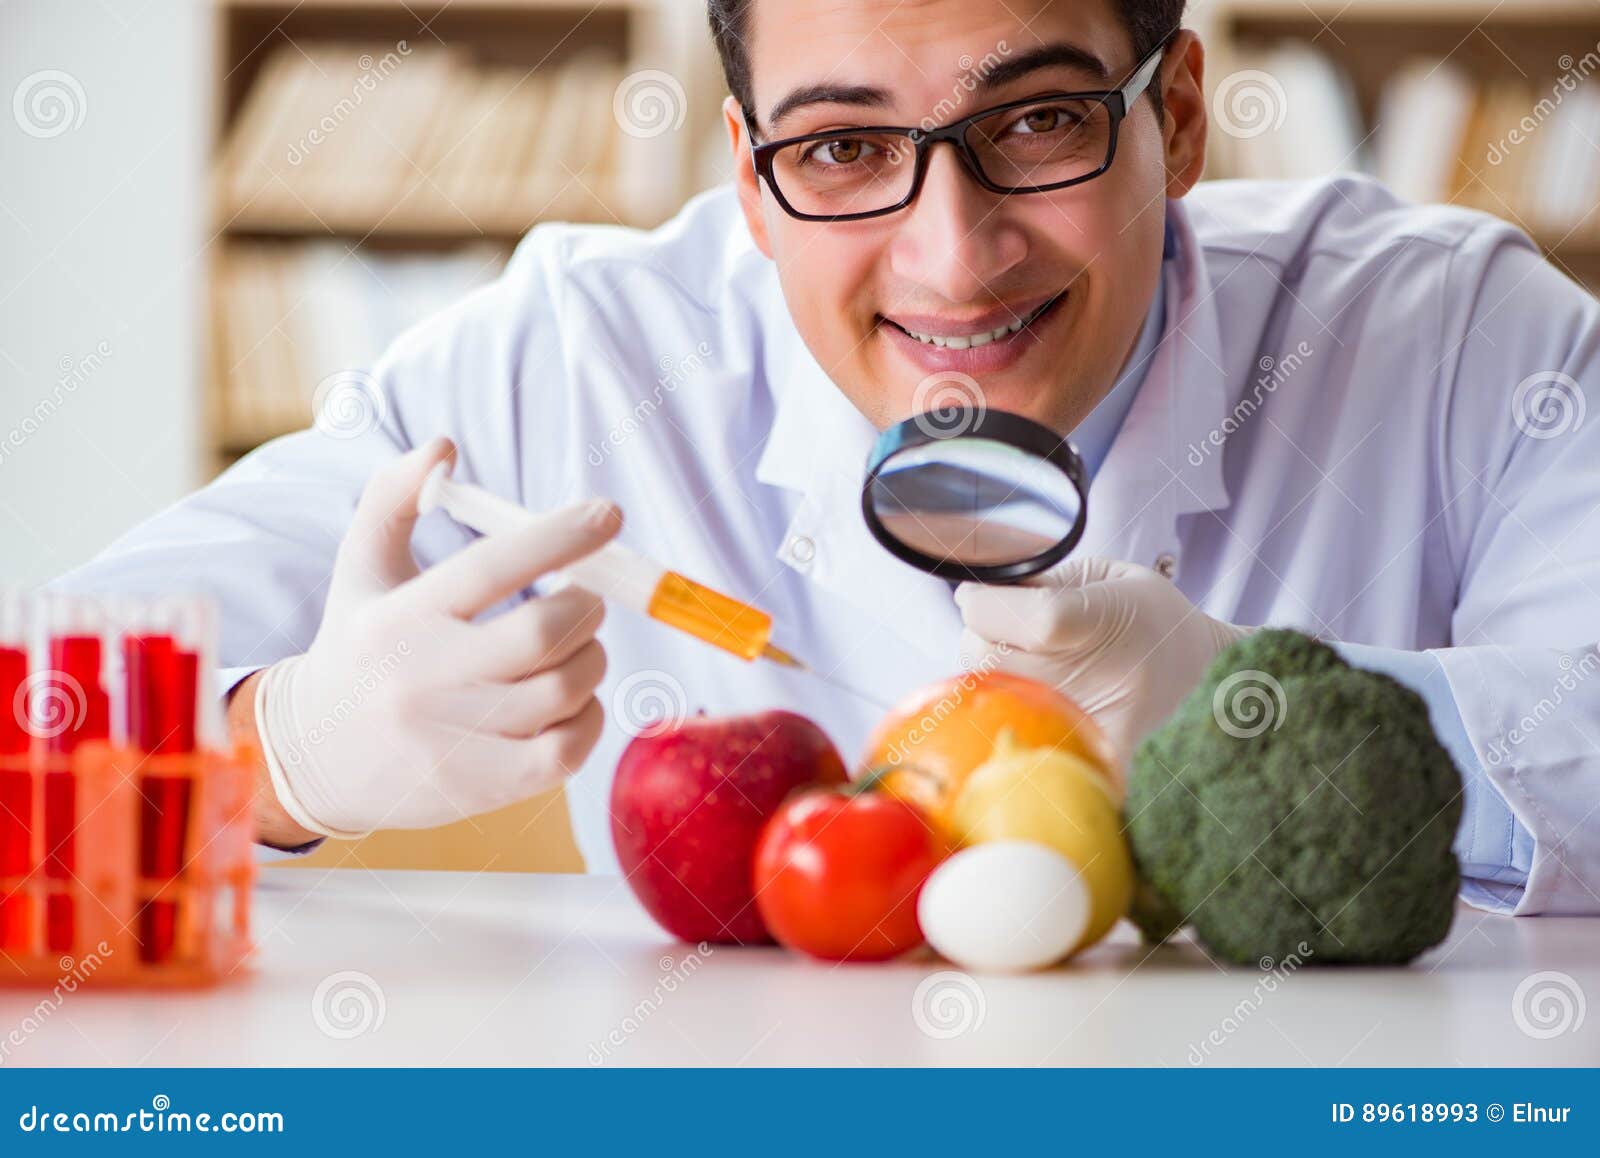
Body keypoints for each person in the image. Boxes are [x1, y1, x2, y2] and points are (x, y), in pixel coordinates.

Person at [52, 0, 1600, 914]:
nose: (954, 254)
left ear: (1178, 118)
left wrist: (1273, 713)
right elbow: (35, 716)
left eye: (1044, 121)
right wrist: (281, 756)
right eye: (843, 148)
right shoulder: (570, 361)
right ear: (746, 176)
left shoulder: (1453, 334)